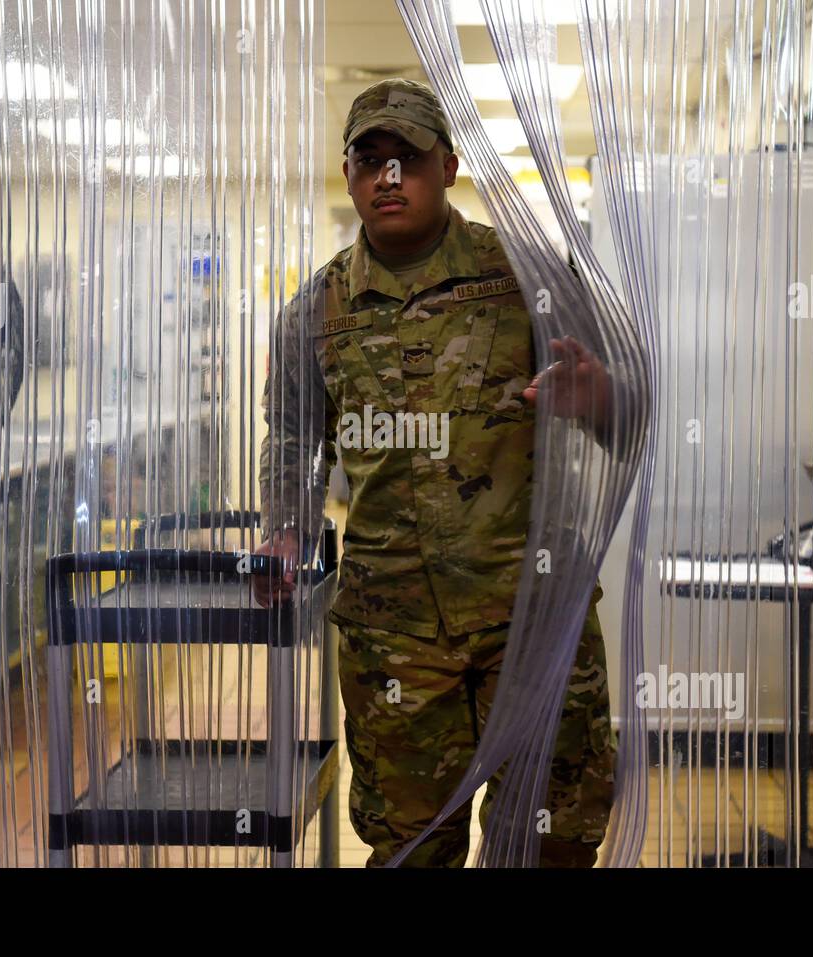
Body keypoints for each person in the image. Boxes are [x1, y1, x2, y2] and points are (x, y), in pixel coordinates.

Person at [255, 78, 616, 867]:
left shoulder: (527, 276)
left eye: (408, 159)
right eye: (369, 159)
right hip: (398, 641)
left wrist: (604, 400)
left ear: (449, 166)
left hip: (532, 619)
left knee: (551, 842)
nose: (388, 177)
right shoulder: (316, 310)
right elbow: (290, 435)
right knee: (410, 848)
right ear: (348, 174)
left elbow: (626, 405)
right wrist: (285, 526)